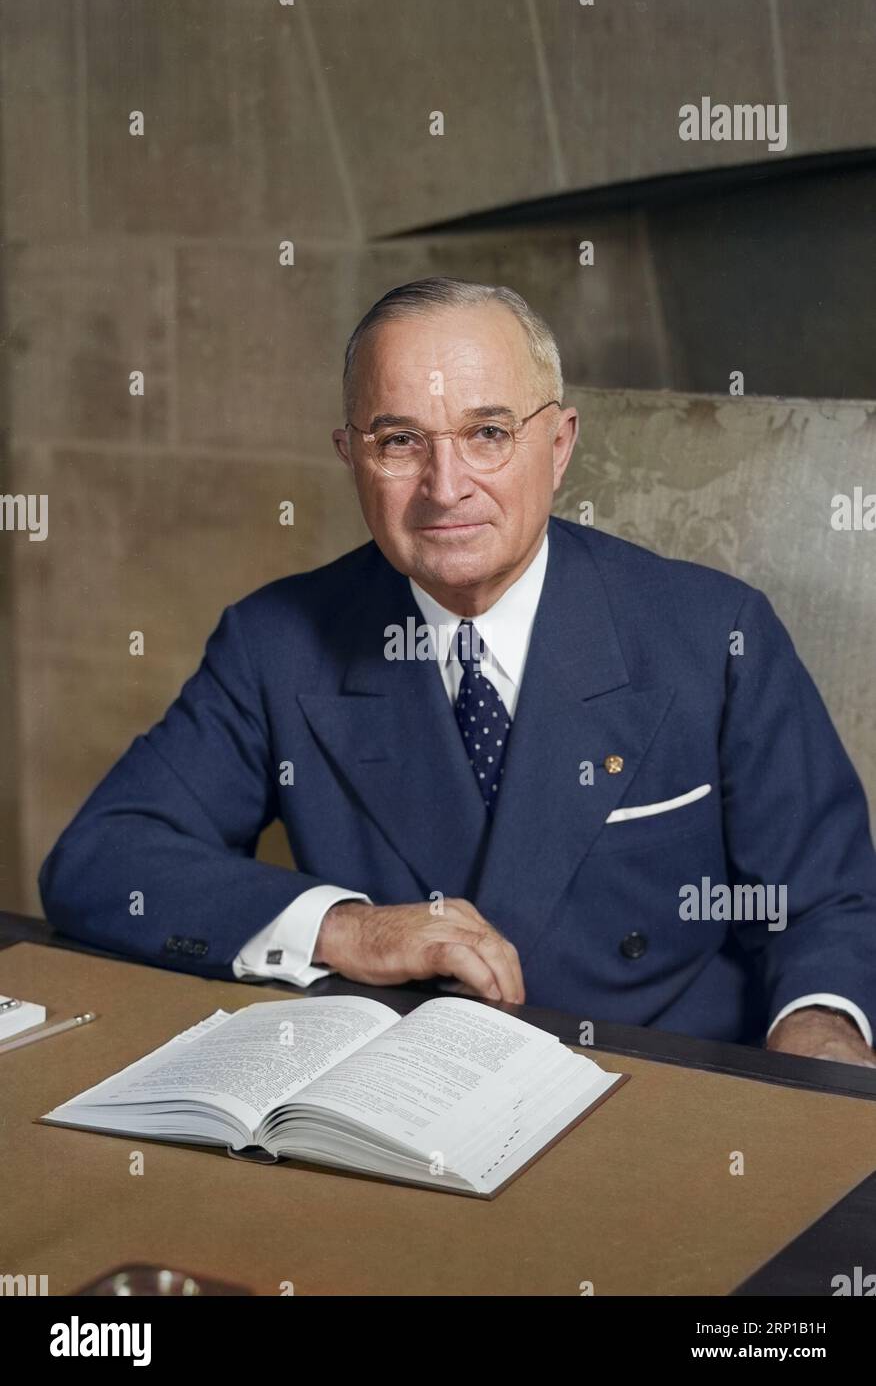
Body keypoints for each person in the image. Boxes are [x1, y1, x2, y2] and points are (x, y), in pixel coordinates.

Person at [39, 278, 876, 1066]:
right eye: (400, 441)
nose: (447, 487)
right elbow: (102, 862)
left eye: (488, 433)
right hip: (393, 1111)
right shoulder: (276, 643)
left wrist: (820, 1036)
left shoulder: (715, 632)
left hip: (654, 1095)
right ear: (350, 456)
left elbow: (829, 903)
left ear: (558, 443)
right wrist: (348, 930)